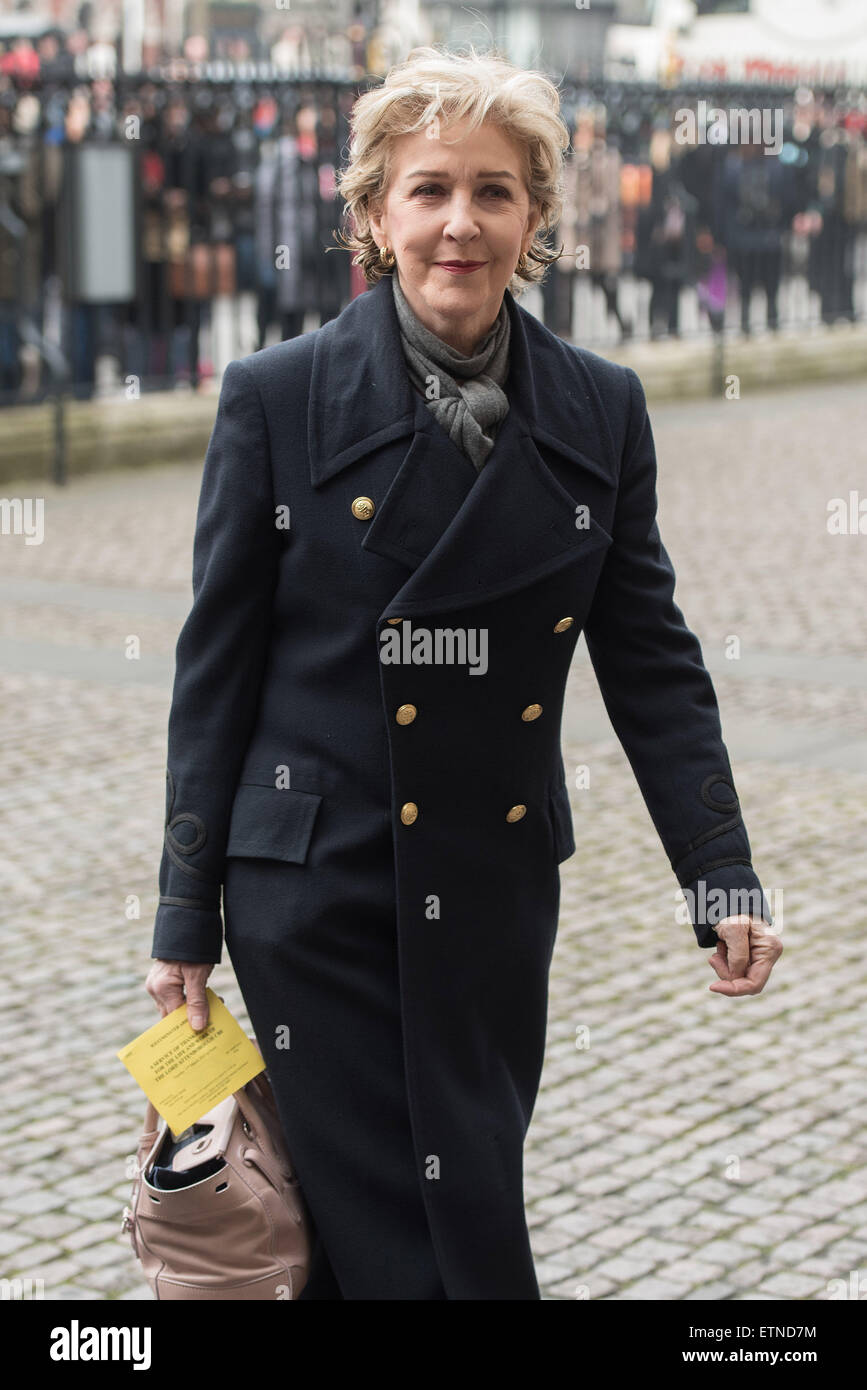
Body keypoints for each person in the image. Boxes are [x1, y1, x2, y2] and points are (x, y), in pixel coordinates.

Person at [145, 45, 782, 1301]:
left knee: (421, 1198)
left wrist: (720, 867)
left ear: (538, 217)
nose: (460, 223)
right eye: (429, 189)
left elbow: (650, 658)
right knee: (424, 1237)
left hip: (490, 895)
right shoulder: (277, 400)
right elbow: (214, 669)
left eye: (494, 192)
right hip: (315, 893)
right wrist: (182, 914)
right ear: (376, 216)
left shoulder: (600, 409)